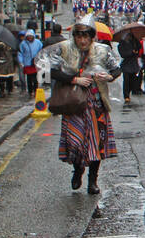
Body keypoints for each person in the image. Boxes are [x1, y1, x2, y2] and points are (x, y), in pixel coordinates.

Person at [46, 18, 121, 195]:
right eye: (79, 36)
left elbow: (116, 70)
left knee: (97, 144)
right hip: (74, 104)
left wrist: (109, 77)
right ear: (74, 37)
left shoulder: (103, 51)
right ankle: (78, 169)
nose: (82, 40)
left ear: (92, 37)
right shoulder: (64, 50)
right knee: (75, 142)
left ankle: (92, 180)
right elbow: (52, 69)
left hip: (96, 104)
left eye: (86, 36)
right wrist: (74, 79)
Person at [117, 29, 143, 105]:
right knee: (126, 80)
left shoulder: (134, 41)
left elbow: (139, 46)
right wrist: (131, 52)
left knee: (133, 80)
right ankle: (126, 95)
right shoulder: (121, 44)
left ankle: (131, 90)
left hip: (134, 64)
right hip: (126, 64)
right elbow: (123, 54)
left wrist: (135, 38)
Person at [18, 30, 42, 98]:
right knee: (29, 78)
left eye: (31, 37)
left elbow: (42, 50)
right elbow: (20, 53)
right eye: (28, 37)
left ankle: (35, 90)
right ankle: (30, 91)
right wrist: (21, 62)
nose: (30, 38)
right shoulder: (23, 44)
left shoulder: (38, 42)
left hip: (35, 63)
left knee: (35, 78)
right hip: (27, 63)